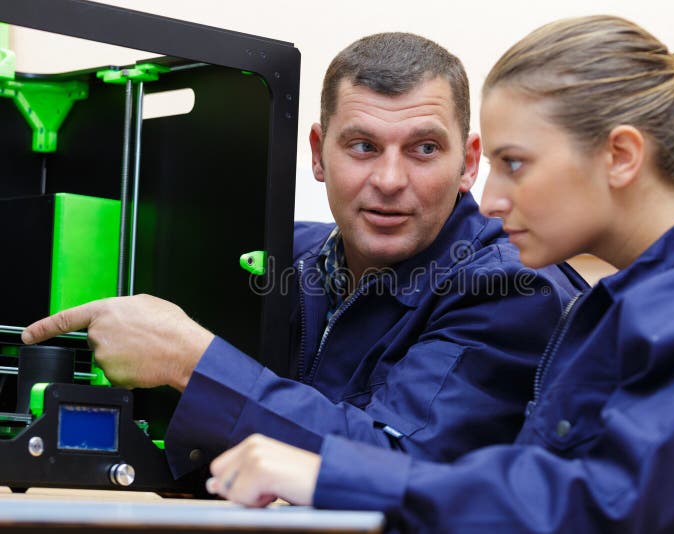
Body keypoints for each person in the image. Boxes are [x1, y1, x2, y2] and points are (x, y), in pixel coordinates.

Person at [201, 15, 674, 532]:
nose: (488, 200)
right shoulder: (633, 296)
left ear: (620, 157)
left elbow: (599, 509)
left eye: (514, 164)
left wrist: (329, 472)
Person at [21, 33, 585, 478]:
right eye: (362, 146)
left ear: (468, 163)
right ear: (318, 153)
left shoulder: (510, 288)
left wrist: (191, 362)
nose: (390, 180)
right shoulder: (282, 256)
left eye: (424, 149)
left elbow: (400, 465)